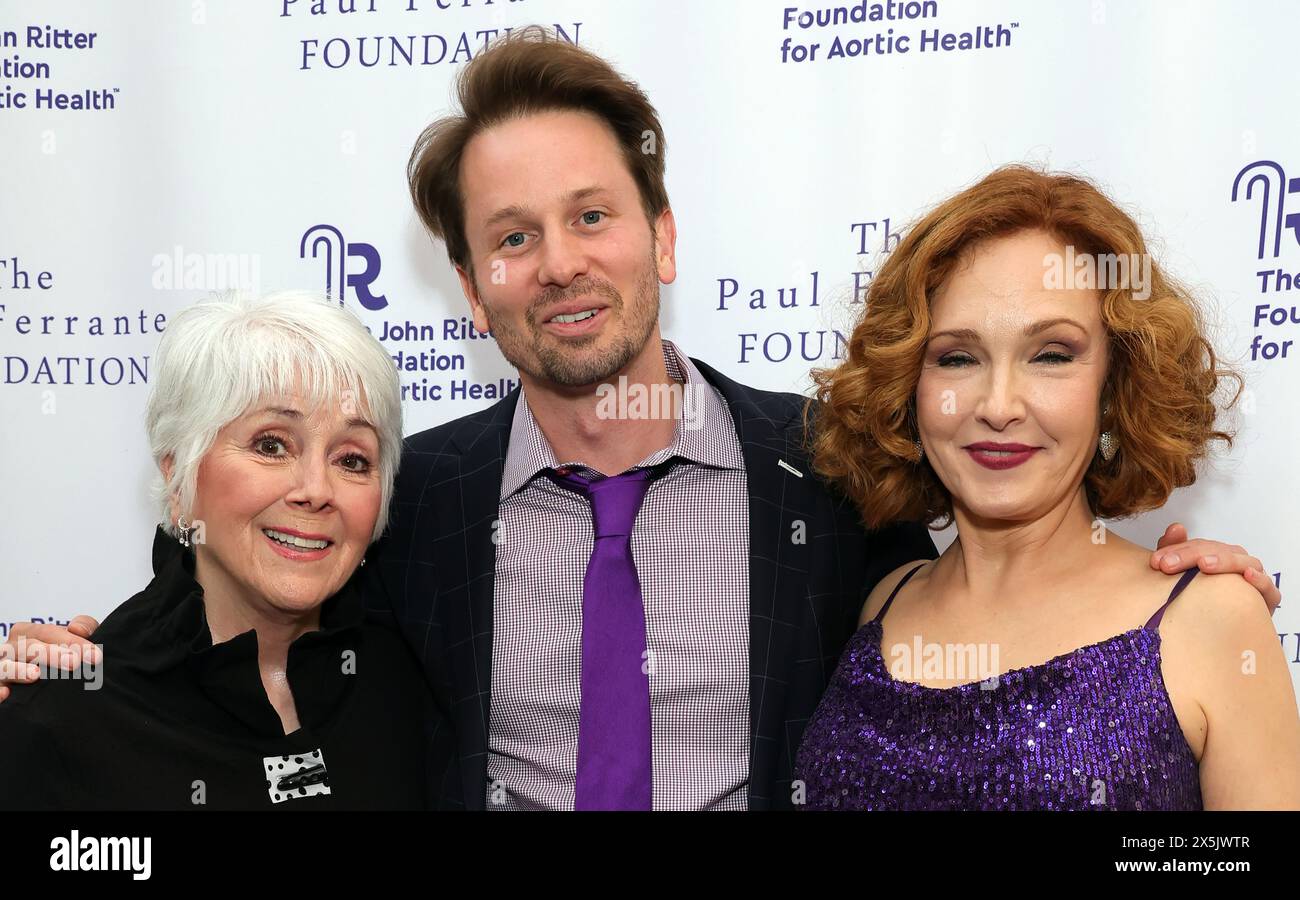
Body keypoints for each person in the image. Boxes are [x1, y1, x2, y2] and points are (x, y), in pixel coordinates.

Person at [1, 30, 1276, 811]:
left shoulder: (832, 476)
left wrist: (1188, 581)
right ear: (471, 285)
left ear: (661, 234)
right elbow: (256, 599)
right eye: (511, 237)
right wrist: (82, 655)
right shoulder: (411, 501)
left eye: (592, 216)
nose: (558, 263)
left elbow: (1028, 571)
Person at [794, 166, 1300, 810]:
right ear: (908, 389)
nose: (999, 405)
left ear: (1115, 387)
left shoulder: (1211, 618)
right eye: (957, 357)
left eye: (1052, 355)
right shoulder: (885, 602)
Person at [0, 291, 433, 809]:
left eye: (352, 459)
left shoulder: (411, 683)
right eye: (272, 445)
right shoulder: (63, 714)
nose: (317, 489)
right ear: (179, 474)